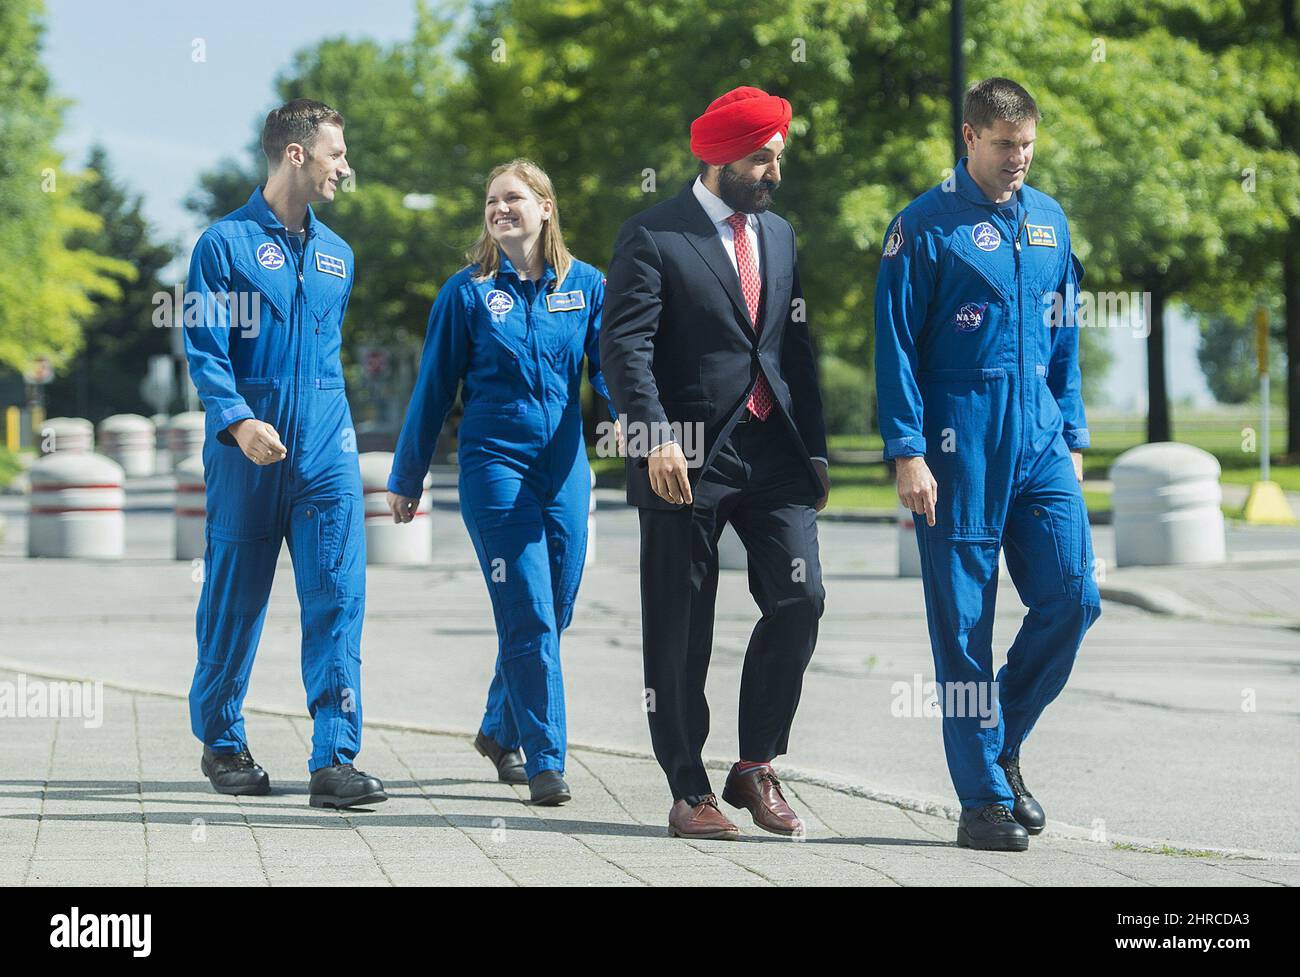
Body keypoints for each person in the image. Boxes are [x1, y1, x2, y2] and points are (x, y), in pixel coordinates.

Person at [874, 77, 1102, 851]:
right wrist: (907, 449)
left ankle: (999, 743)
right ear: (969, 138)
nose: (1019, 160)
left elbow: (1065, 332)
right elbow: (896, 347)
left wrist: (1071, 435)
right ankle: (982, 802)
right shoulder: (923, 227)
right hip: (956, 441)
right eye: (1005, 146)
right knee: (966, 629)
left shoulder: (1049, 221)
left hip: (1038, 437)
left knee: (1076, 594)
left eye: (1029, 146)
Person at [601, 86, 830, 841]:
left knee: (802, 599)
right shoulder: (653, 235)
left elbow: (794, 349)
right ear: (719, 155)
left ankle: (756, 762)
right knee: (680, 626)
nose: (773, 170)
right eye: (761, 156)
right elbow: (625, 348)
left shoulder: (783, 235)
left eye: (777, 155)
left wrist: (816, 451)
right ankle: (687, 786)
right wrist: (655, 435)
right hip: (685, 457)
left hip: (773, 451)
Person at [386, 159, 614, 806]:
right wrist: (408, 474)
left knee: (558, 604)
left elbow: (612, 370)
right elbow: (433, 389)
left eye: (513, 197)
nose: (500, 208)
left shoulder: (588, 284)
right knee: (530, 611)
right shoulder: (467, 293)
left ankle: (496, 727)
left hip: (564, 466)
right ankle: (544, 760)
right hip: (495, 468)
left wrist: (641, 430)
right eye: (491, 200)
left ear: (546, 206)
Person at [183, 99, 385, 808]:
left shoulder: (339, 254)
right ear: (296, 153)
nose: (345, 167)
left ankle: (335, 757)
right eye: (337, 153)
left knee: (337, 594)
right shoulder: (223, 245)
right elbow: (205, 353)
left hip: (326, 448)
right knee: (235, 598)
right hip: (248, 453)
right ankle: (223, 737)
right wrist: (238, 421)